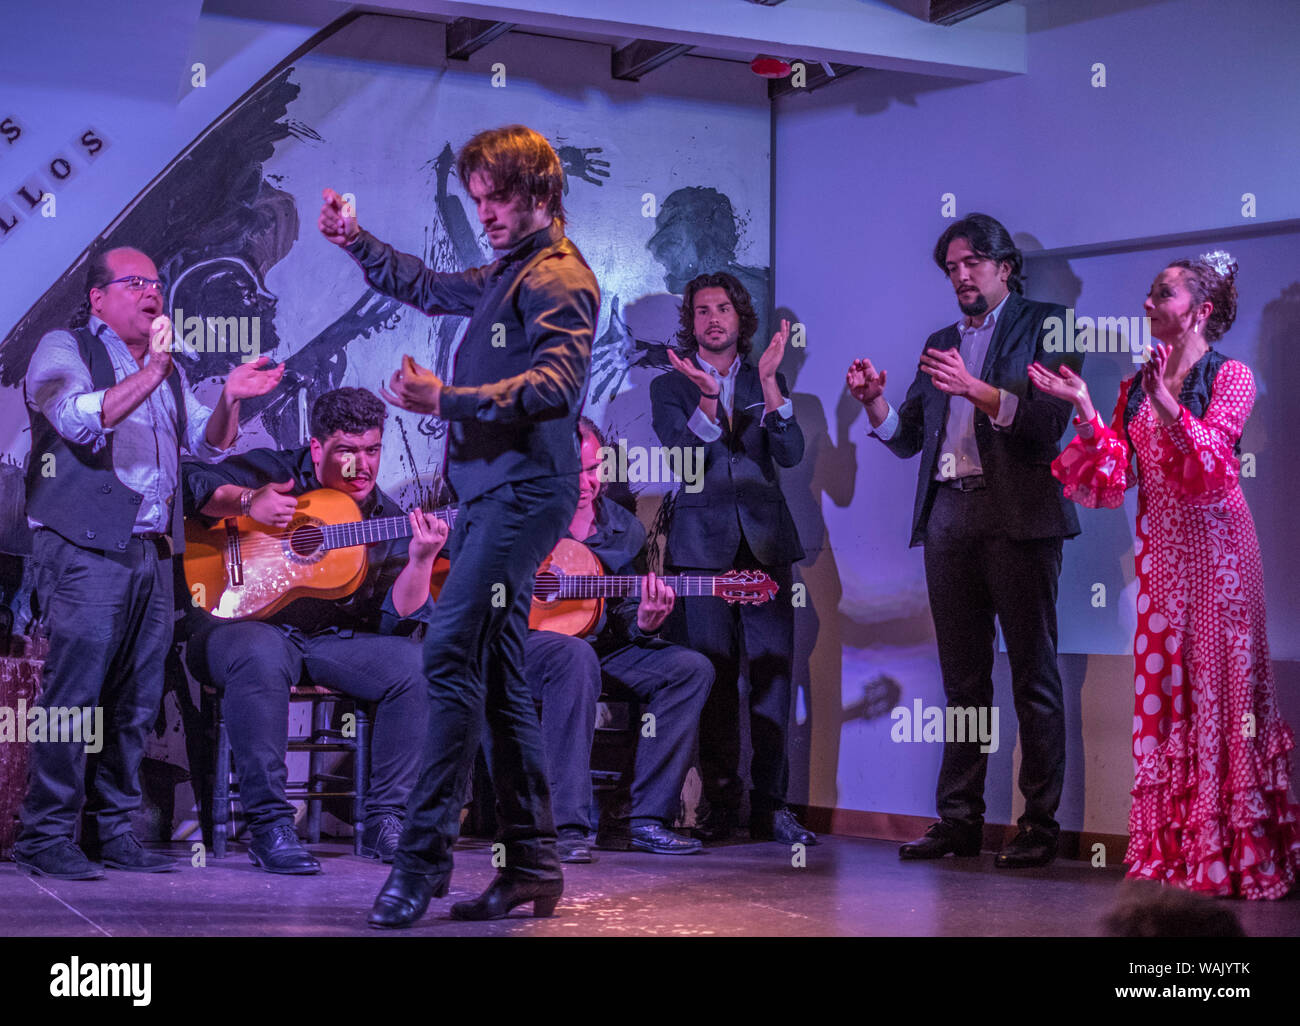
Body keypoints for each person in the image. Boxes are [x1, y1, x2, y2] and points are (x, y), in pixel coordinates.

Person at [319, 124, 598, 926]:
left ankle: (421, 860)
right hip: (489, 494)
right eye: (476, 199)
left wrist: (445, 400)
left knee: (446, 651)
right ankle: (535, 866)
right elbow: (430, 284)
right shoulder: (513, 270)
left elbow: (555, 385)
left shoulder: (559, 278)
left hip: (523, 496)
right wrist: (354, 240)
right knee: (502, 679)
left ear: (540, 195)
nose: (485, 213)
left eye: (498, 198)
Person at [1029, 251, 1299, 899]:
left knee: (1226, 704)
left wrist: (1168, 405)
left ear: (1201, 311)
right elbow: (1115, 472)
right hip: (1164, 564)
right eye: (1149, 294)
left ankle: (1230, 853)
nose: (1149, 304)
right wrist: (1088, 405)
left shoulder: (1229, 375)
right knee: (1166, 702)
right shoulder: (1138, 382)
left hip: (1222, 558)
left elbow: (1215, 465)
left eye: (1162, 294)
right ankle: (1177, 852)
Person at [15, 245, 282, 880]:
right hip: (84, 548)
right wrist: (155, 368)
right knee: (73, 698)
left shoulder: (166, 373)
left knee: (135, 702)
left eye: (156, 283)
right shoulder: (66, 347)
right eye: (135, 282)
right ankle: (45, 835)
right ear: (98, 298)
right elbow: (81, 421)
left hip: (154, 553)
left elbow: (208, 444)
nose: (152, 292)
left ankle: (113, 831)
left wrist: (232, 398)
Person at [847, 213, 1080, 868]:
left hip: (1020, 519)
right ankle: (958, 821)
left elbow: (1044, 426)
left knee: (1033, 675)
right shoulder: (941, 339)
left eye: (972, 262)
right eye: (951, 268)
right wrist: (873, 403)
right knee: (964, 684)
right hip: (950, 517)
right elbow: (909, 435)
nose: (961, 276)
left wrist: (976, 389)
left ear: (1004, 267)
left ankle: (1038, 827)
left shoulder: (1050, 324)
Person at [182, 387, 446, 874]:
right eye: (347, 450)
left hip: (326, 643)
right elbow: (187, 481)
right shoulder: (275, 472)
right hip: (236, 624)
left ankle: (387, 822)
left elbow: (392, 621)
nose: (362, 465)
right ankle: (271, 826)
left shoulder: (385, 519)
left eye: (372, 450)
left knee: (415, 666)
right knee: (259, 653)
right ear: (319, 448)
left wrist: (422, 561)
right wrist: (246, 501)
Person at [651, 271, 814, 846]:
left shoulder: (767, 375)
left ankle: (773, 808)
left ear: (740, 318)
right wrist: (709, 394)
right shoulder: (669, 385)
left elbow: (790, 454)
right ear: (690, 321)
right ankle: (722, 806)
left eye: (722, 308)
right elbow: (687, 452)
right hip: (700, 557)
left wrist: (770, 384)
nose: (712, 318)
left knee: (773, 682)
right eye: (701, 310)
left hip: (767, 550)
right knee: (714, 681)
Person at [526, 418, 712, 862]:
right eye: (573, 472)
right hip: (527, 646)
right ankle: (565, 827)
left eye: (594, 469)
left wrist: (646, 623)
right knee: (573, 657)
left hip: (601, 646)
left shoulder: (623, 528)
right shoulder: (520, 518)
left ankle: (640, 818)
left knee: (690, 669)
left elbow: (628, 611)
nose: (587, 482)